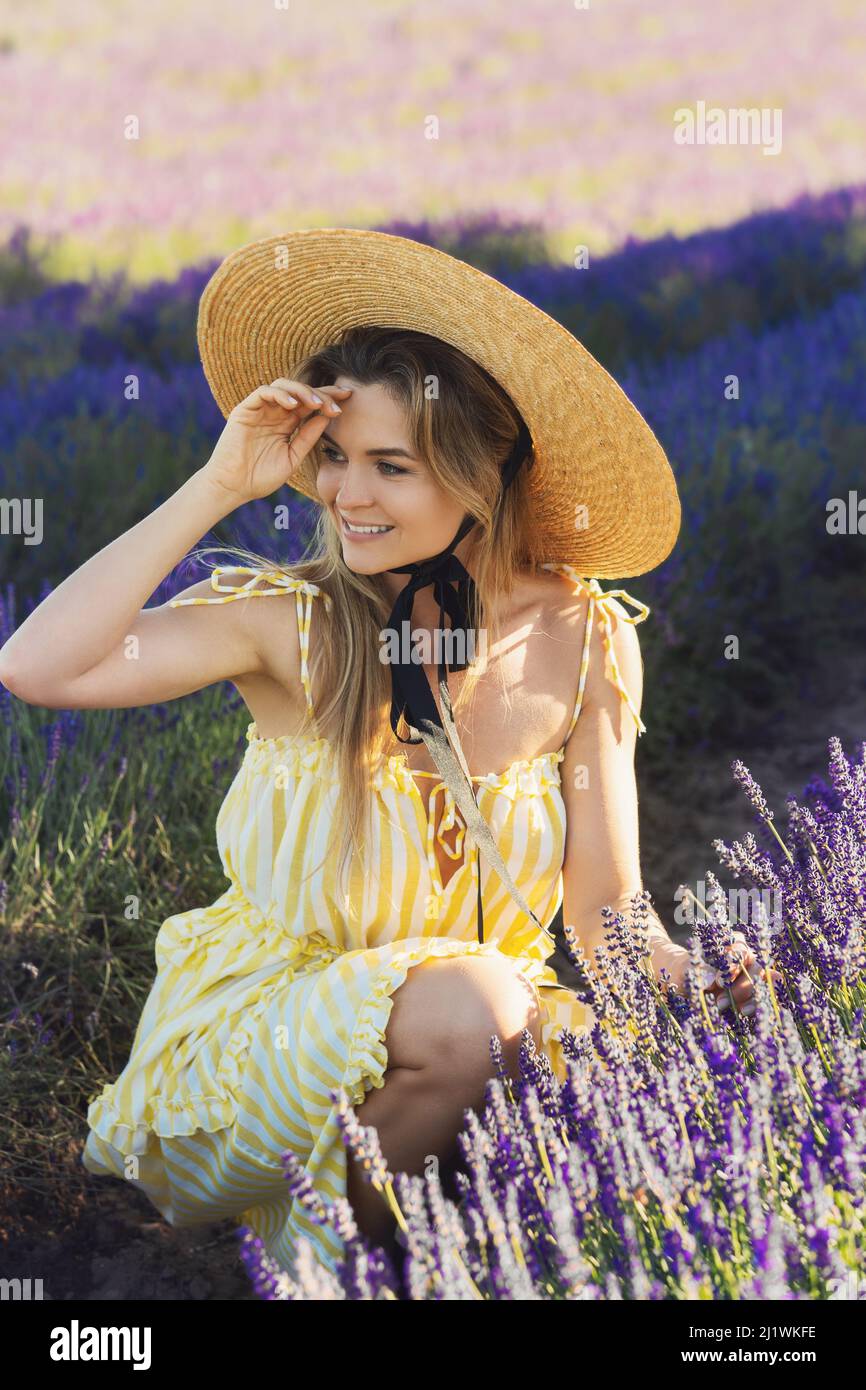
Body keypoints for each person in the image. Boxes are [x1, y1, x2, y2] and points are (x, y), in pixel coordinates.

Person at [0, 229, 766, 1278]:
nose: (345, 495)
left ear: (483, 470)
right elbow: (37, 667)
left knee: (600, 1074)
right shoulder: (289, 623)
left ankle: (414, 1244)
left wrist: (691, 982)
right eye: (332, 459)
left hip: (468, 1033)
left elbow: (606, 909)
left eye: (389, 466)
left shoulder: (587, 638)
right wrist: (218, 483)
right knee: (481, 1009)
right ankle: (295, 1265)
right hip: (260, 1047)